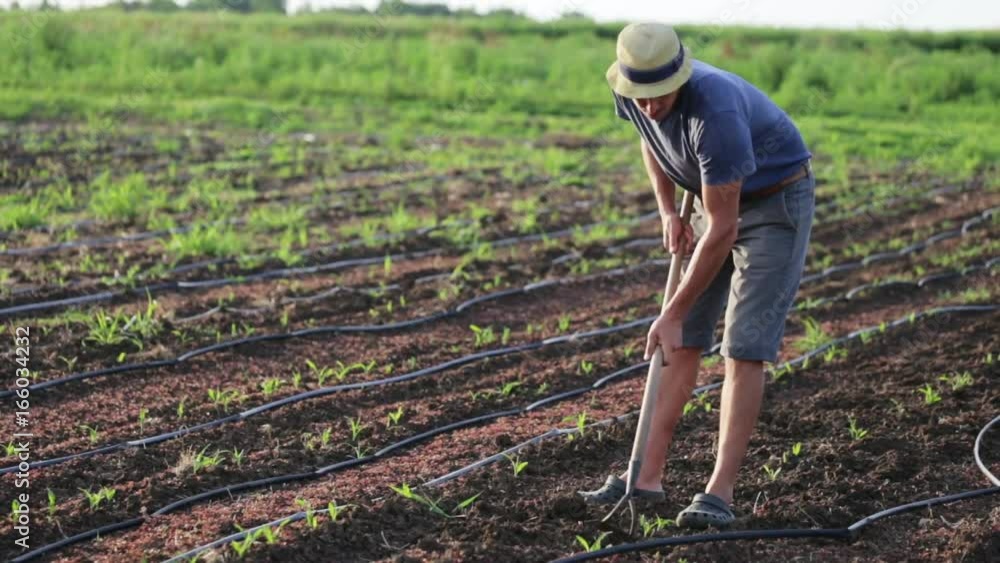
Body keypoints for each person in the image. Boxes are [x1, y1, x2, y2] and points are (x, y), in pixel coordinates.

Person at [577, 22, 815, 529]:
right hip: (713, 200)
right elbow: (652, 141)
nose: (647, 105)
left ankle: (719, 494)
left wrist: (672, 310)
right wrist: (668, 211)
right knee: (682, 342)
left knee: (744, 346)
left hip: (773, 204)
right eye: (638, 95)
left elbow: (724, 228)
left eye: (658, 96)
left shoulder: (717, 113)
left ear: (679, 79)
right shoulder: (633, 89)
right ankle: (644, 476)